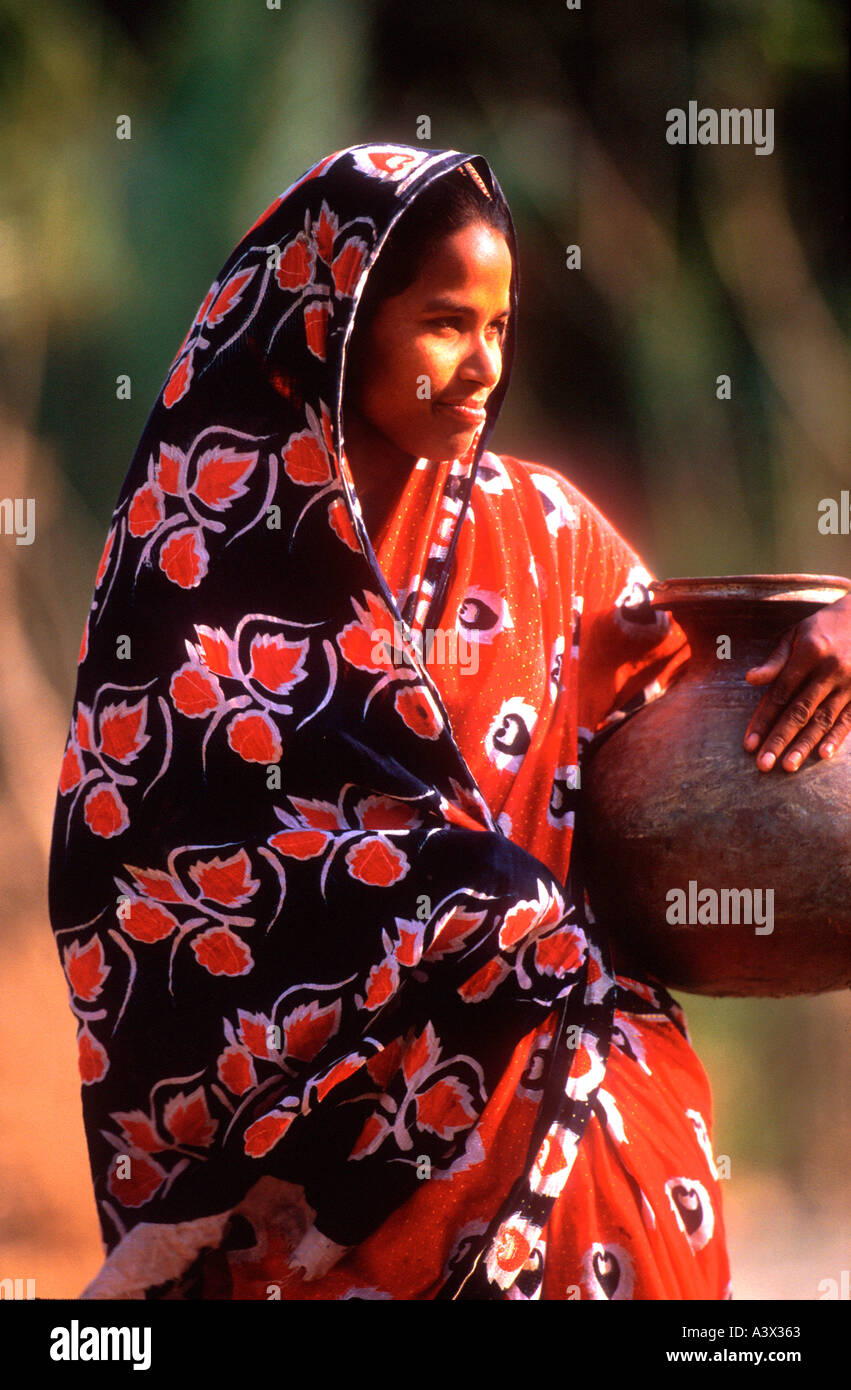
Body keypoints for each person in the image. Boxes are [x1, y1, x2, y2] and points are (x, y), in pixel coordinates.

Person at [48, 143, 851, 1301]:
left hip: (579, 1157)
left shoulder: (548, 537)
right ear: (334, 325)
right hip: (312, 1210)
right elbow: (145, 903)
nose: (483, 367)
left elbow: (715, 714)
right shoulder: (198, 587)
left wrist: (838, 619)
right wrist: (474, 908)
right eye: (443, 324)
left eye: (500, 325)